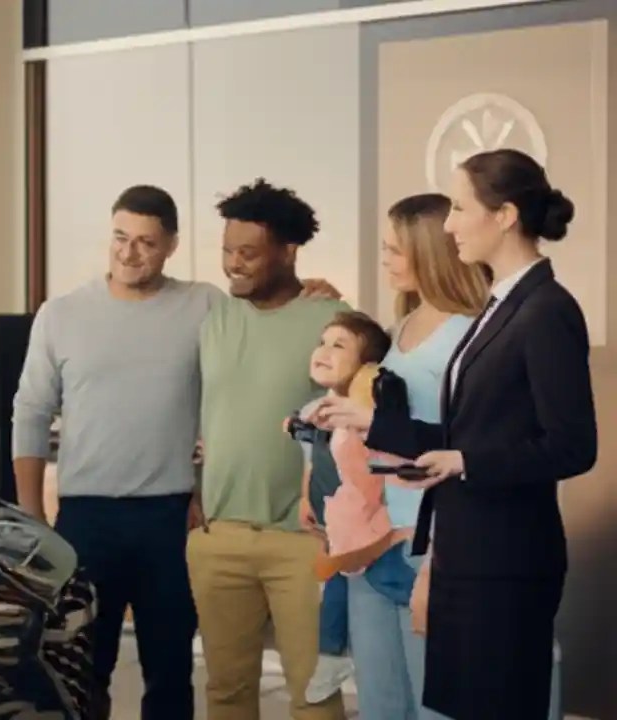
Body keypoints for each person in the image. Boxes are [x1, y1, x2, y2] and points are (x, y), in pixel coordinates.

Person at [11, 184, 341, 720]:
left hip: (173, 517)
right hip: (85, 517)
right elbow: (29, 413)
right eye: (120, 237)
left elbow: (268, 314)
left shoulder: (205, 305)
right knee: (82, 668)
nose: (129, 252)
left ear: (171, 246)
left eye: (145, 241)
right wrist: (31, 516)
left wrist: (315, 294)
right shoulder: (62, 314)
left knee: (171, 669)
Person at [376, 149, 597, 719]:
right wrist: (375, 428)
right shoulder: (500, 306)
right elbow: (470, 431)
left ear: (504, 216)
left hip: (506, 564)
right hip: (470, 557)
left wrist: (467, 461)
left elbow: (572, 445)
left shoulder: (546, 309)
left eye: (457, 207)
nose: (447, 224)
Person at [314, 193, 488, 719]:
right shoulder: (401, 328)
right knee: (381, 704)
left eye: (395, 250)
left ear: (432, 255)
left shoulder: (469, 334)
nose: (385, 260)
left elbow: (464, 449)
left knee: (433, 705)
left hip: (431, 546)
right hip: (377, 539)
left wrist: (436, 564)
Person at [187, 178, 351, 720]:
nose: (234, 263)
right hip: (219, 535)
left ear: (288, 251)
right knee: (226, 694)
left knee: (315, 696)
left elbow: (361, 419)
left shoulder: (331, 321)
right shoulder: (212, 316)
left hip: (303, 541)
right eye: (228, 251)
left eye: (249, 253)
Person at [288, 311, 417, 704]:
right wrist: (307, 494)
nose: (324, 351)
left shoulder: (369, 417)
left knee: (387, 592)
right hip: (341, 530)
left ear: (367, 367)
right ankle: (331, 655)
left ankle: (332, 656)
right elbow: (310, 449)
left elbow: (389, 471)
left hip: (377, 535)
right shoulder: (320, 409)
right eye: (322, 342)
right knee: (339, 588)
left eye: (339, 345)